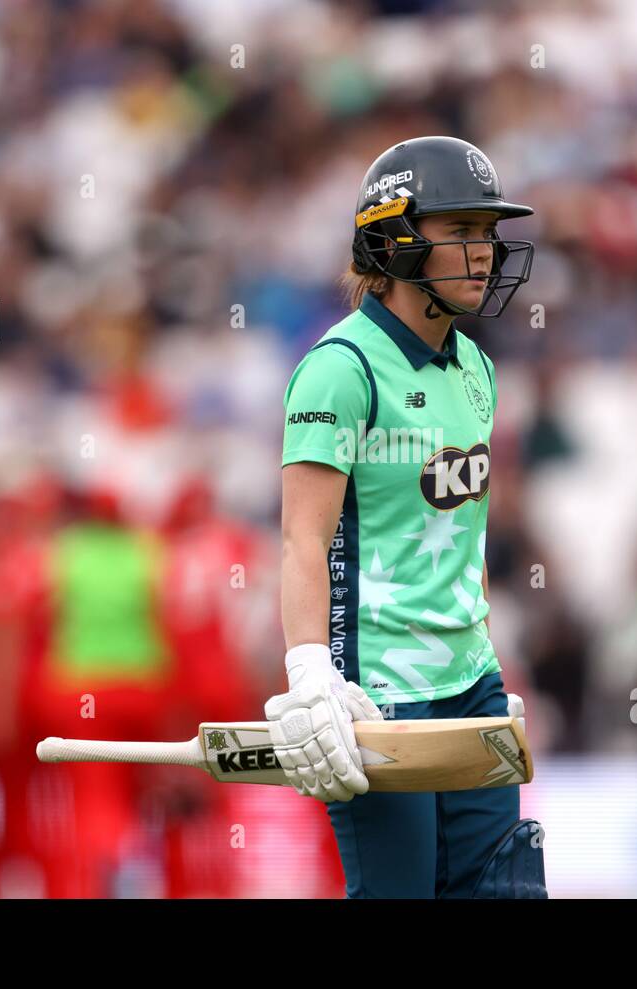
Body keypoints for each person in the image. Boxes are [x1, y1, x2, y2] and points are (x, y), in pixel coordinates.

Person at [267, 136, 547, 898]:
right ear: (393, 239)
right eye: (460, 231)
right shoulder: (340, 368)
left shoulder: (478, 367)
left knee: (504, 890)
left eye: (486, 232)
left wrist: (486, 651)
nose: (484, 251)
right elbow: (302, 539)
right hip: (378, 690)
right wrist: (310, 674)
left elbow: (465, 528)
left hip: (471, 683)